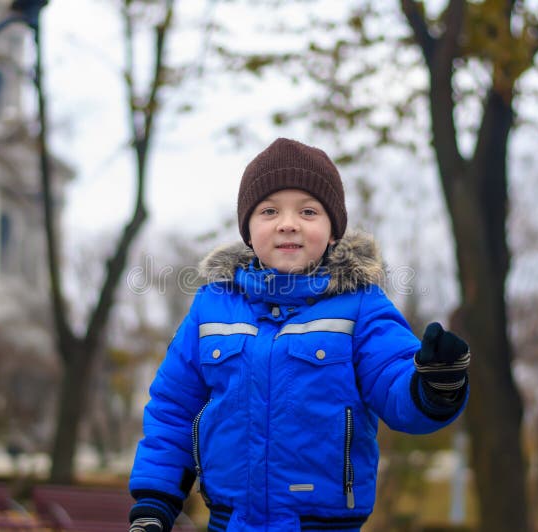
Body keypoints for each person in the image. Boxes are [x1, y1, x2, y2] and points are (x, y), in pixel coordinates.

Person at [128, 138, 470, 532]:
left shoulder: (360, 307)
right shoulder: (211, 309)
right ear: (248, 230)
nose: (288, 222)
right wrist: (155, 500)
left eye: (308, 211)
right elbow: (174, 408)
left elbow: (395, 385)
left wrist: (435, 383)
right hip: (229, 523)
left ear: (333, 231)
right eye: (269, 210)